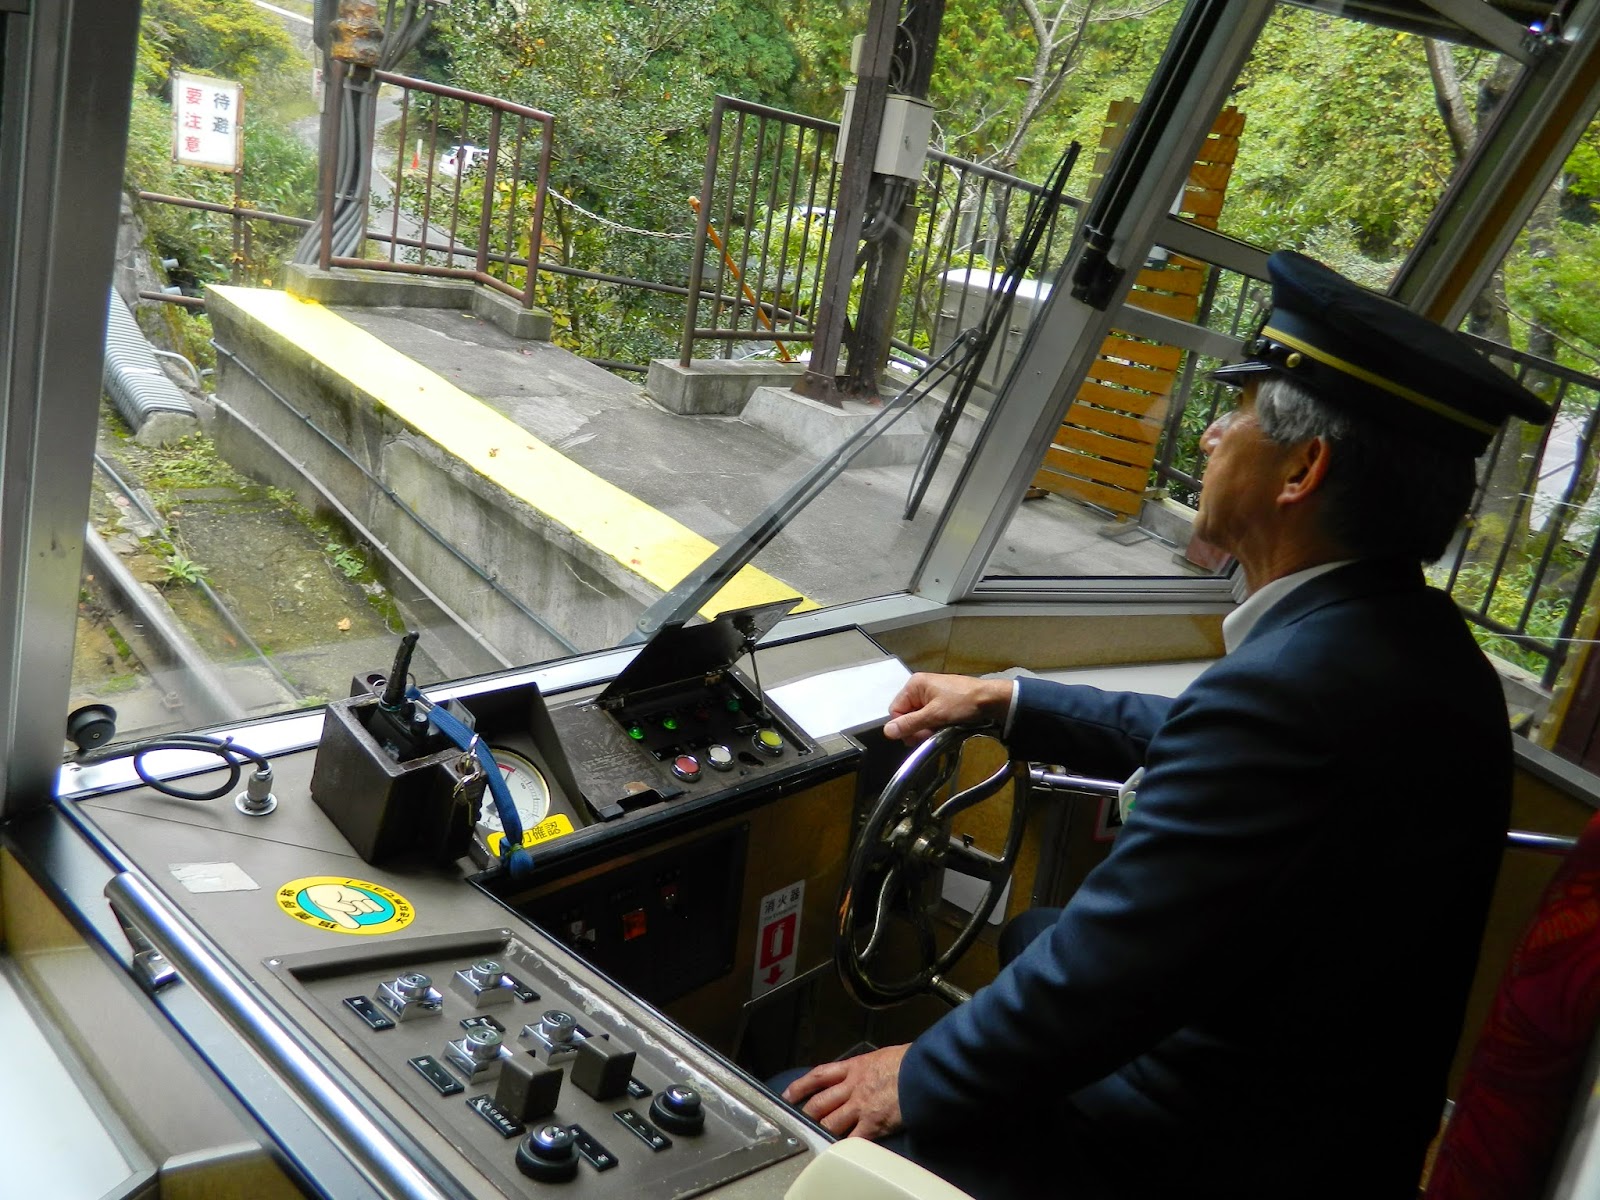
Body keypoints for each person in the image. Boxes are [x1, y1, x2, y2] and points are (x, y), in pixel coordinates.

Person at [779, 250, 1552, 1199]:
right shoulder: (1416, 650)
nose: (1218, 430)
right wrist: (1008, 699)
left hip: (1209, 1151)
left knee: (797, 1121)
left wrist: (913, 1073)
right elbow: (1218, 739)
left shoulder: (1294, 697)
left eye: (1243, 412)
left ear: (1303, 468)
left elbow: (1101, 985)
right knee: (1034, 934)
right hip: (1333, 1116)